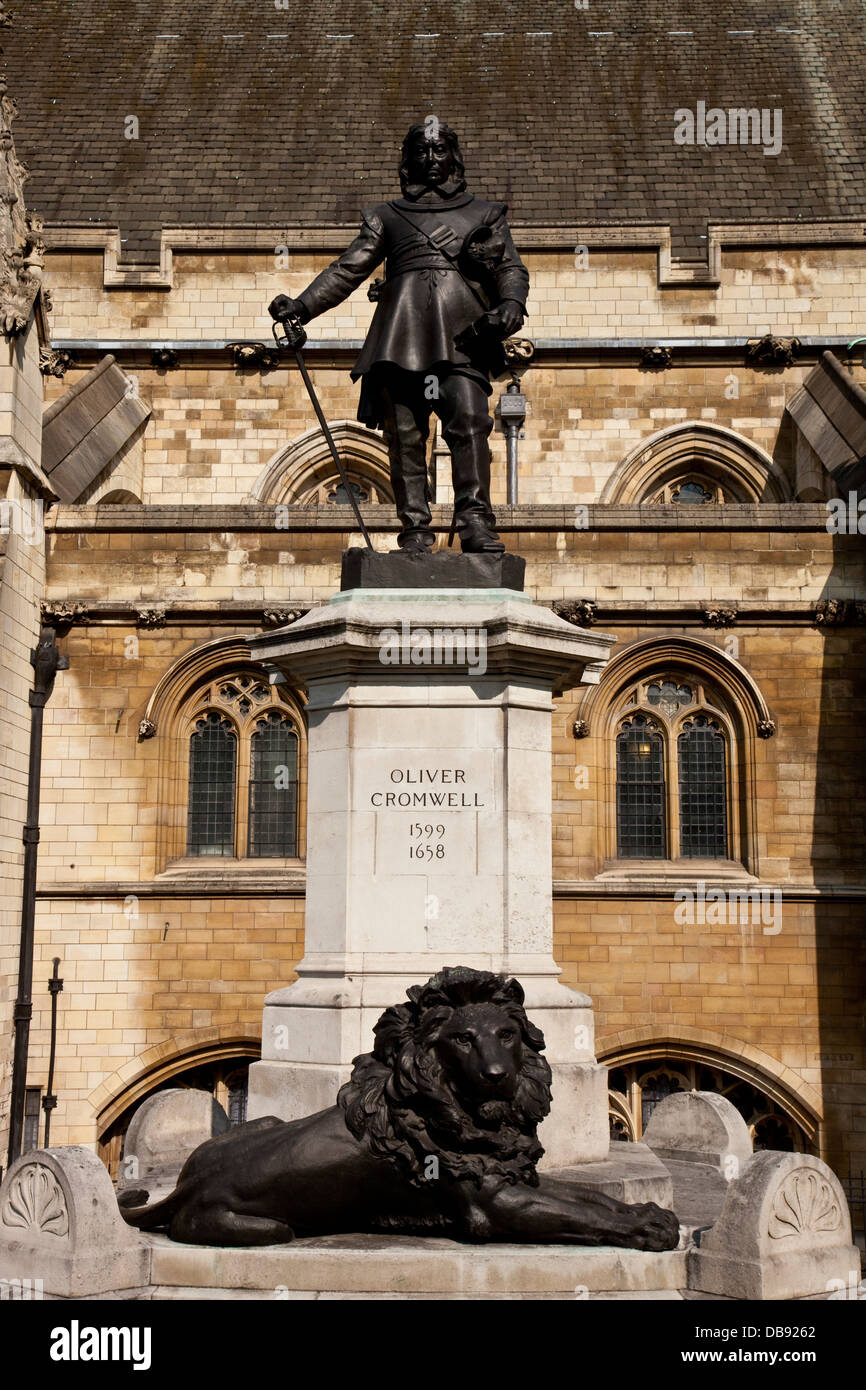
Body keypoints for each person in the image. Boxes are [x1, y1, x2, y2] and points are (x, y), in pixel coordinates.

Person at [269, 120, 529, 554]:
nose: (431, 160)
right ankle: (414, 530)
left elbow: (510, 269)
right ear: (408, 161)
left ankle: (476, 521)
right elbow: (348, 269)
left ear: (453, 157)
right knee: (405, 435)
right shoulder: (387, 215)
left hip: (463, 335)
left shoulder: (484, 214)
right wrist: (302, 305)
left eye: (439, 150)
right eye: (422, 152)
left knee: (469, 423)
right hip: (401, 336)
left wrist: (511, 305)